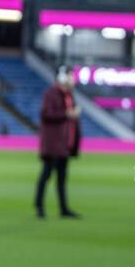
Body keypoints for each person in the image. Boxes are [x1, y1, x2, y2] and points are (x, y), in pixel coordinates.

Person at [36, 66, 82, 219]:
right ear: (62, 77)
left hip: (65, 145)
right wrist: (67, 114)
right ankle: (39, 207)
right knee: (46, 175)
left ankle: (64, 208)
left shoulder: (69, 95)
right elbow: (46, 115)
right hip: (52, 145)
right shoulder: (51, 94)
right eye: (69, 76)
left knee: (62, 178)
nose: (72, 79)